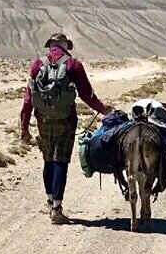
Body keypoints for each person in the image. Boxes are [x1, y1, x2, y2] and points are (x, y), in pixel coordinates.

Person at [20, 32, 111, 224]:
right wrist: (103, 110)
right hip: (66, 120)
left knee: (48, 160)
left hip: (43, 120)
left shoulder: (38, 64)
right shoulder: (73, 64)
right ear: (65, 46)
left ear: (50, 45)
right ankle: (57, 209)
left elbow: (29, 97)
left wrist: (24, 126)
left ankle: (49, 201)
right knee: (61, 160)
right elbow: (87, 95)